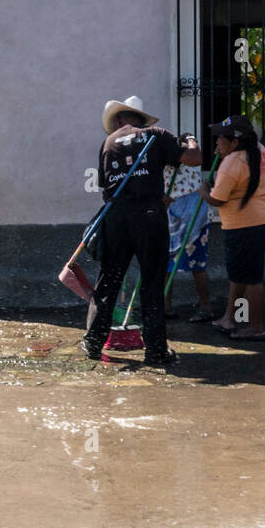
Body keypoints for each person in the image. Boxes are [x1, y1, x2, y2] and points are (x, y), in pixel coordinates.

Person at [83, 96, 201, 365]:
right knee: (151, 282)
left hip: (116, 217)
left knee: (108, 281)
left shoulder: (108, 143)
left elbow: (109, 187)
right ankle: (156, 349)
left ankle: (93, 342)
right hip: (149, 218)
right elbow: (194, 158)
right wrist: (191, 138)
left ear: (119, 120)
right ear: (138, 119)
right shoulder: (155, 135)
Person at [199, 115, 265, 340]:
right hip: (263, 221)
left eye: (220, 140)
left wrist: (204, 191)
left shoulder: (232, 163)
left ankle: (256, 328)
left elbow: (218, 199)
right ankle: (231, 317)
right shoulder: (259, 150)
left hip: (244, 226)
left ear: (234, 142)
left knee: (251, 278)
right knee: (240, 276)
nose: (216, 144)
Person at [165, 135, 215, 321]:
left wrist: (190, 140)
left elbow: (196, 158)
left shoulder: (192, 156)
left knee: (197, 263)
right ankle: (165, 306)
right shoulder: (165, 155)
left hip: (195, 213)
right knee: (166, 264)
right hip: (171, 211)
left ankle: (205, 307)